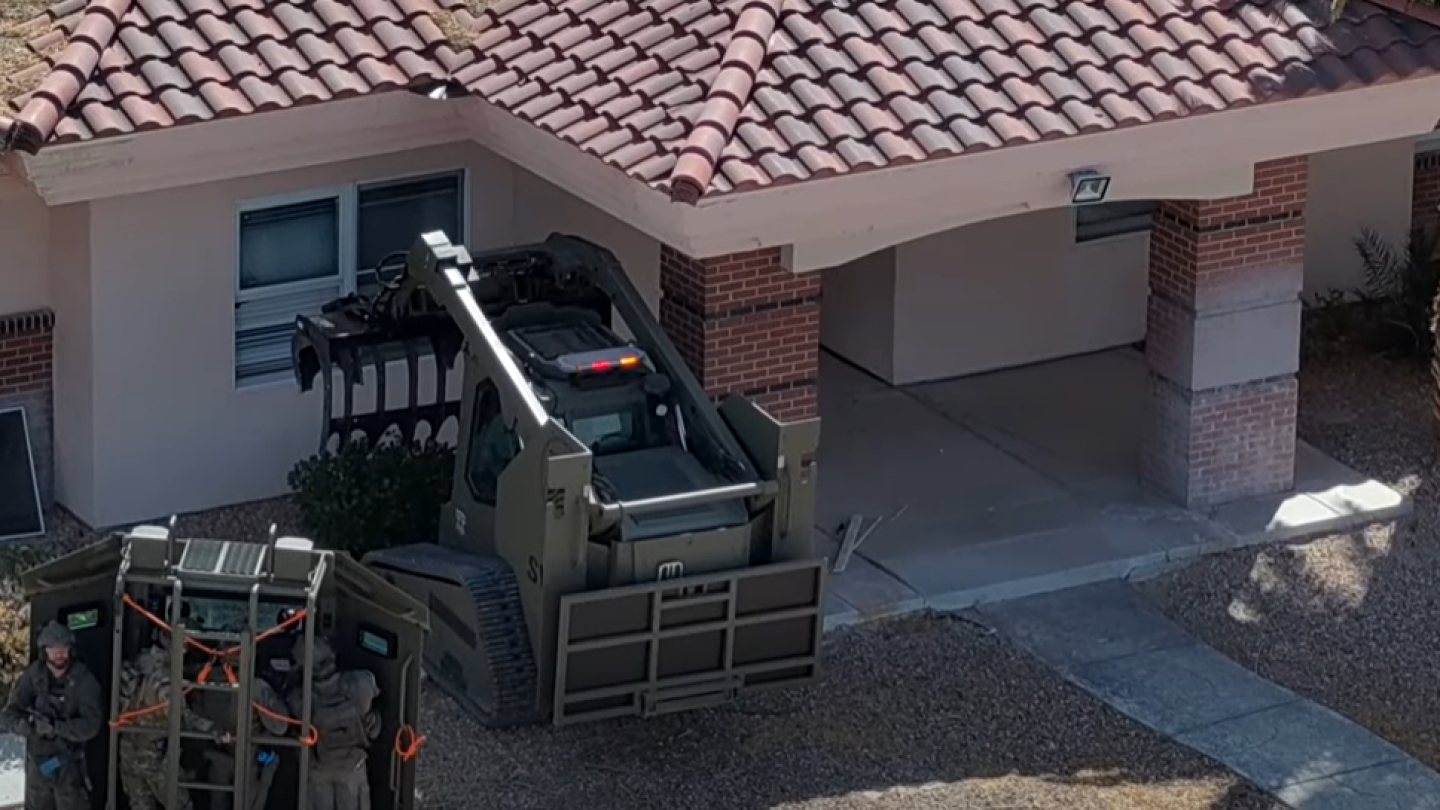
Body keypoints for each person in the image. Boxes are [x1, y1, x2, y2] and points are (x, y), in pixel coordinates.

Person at [116, 637, 231, 810]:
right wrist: (212, 728)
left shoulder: (138, 663)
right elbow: (181, 717)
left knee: (139, 804)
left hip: (128, 751)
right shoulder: (165, 679)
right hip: (154, 755)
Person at [0, 620, 103, 810]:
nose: (59, 654)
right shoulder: (33, 677)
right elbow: (8, 715)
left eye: (63, 648)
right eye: (53, 649)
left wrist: (57, 727)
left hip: (70, 768)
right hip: (38, 769)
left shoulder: (83, 680)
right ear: (44, 651)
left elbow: (92, 725)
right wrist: (28, 725)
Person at [284, 635, 381, 810]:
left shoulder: (297, 699)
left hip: (318, 769)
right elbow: (374, 730)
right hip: (353, 767)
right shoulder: (362, 683)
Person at [196, 673, 289, 810]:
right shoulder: (256, 687)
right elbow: (280, 726)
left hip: (230, 756)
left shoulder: (205, 683)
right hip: (236, 756)